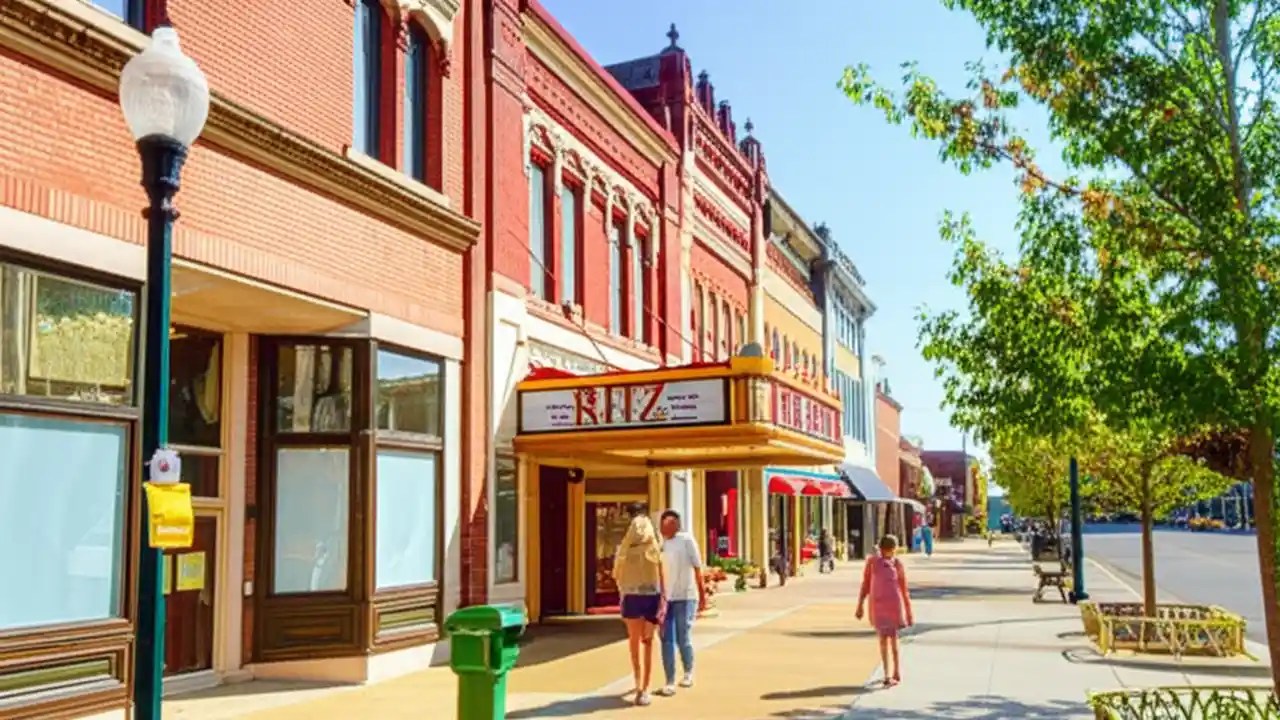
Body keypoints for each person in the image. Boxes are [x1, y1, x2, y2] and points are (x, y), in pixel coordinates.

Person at [612, 505, 666, 706]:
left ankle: (639, 685)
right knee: (648, 642)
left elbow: (616, 573)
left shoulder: (625, 547)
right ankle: (646, 687)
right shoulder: (654, 545)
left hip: (631, 596)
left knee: (634, 642)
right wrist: (664, 597)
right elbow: (662, 571)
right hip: (651, 595)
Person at [656, 510, 707, 696]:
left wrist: (702, 594)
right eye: (662, 524)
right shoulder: (660, 545)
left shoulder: (686, 540)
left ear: (676, 525)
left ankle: (688, 672)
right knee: (666, 639)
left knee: (682, 636)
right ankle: (669, 680)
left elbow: (697, 568)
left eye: (668, 524)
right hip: (666, 598)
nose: (664, 528)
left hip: (685, 596)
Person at [856, 534, 914, 687]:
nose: (891, 552)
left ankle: (896, 671)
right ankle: (887, 674)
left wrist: (909, 613)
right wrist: (860, 604)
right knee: (883, 639)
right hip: (878, 606)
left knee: (893, 639)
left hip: (893, 606)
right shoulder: (872, 563)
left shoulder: (897, 564)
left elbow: (904, 589)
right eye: (889, 549)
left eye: (892, 549)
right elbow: (866, 584)